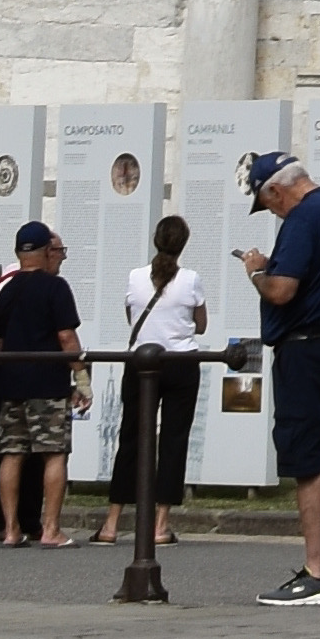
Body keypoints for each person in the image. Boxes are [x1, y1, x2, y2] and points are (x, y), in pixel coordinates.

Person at [236, 152, 320, 604]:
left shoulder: (301, 220)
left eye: (266, 202)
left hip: (308, 348)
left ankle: (316, 573)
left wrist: (256, 269)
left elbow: (282, 289)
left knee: (307, 460)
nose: (271, 210)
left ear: (276, 189)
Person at [102, 214, 208, 547]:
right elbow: (200, 325)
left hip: (140, 361)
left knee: (131, 437)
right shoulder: (191, 280)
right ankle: (160, 523)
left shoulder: (135, 277)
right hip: (180, 362)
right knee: (174, 440)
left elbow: (131, 316)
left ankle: (112, 521)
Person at [0, 222, 79, 548]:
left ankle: (10, 529)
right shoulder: (56, 288)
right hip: (48, 383)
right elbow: (67, 337)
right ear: (45, 252)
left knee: (11, 454)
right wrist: (81, 377)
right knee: (54, 454)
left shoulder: (5, 290)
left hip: (11, 384)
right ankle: (50, 529)